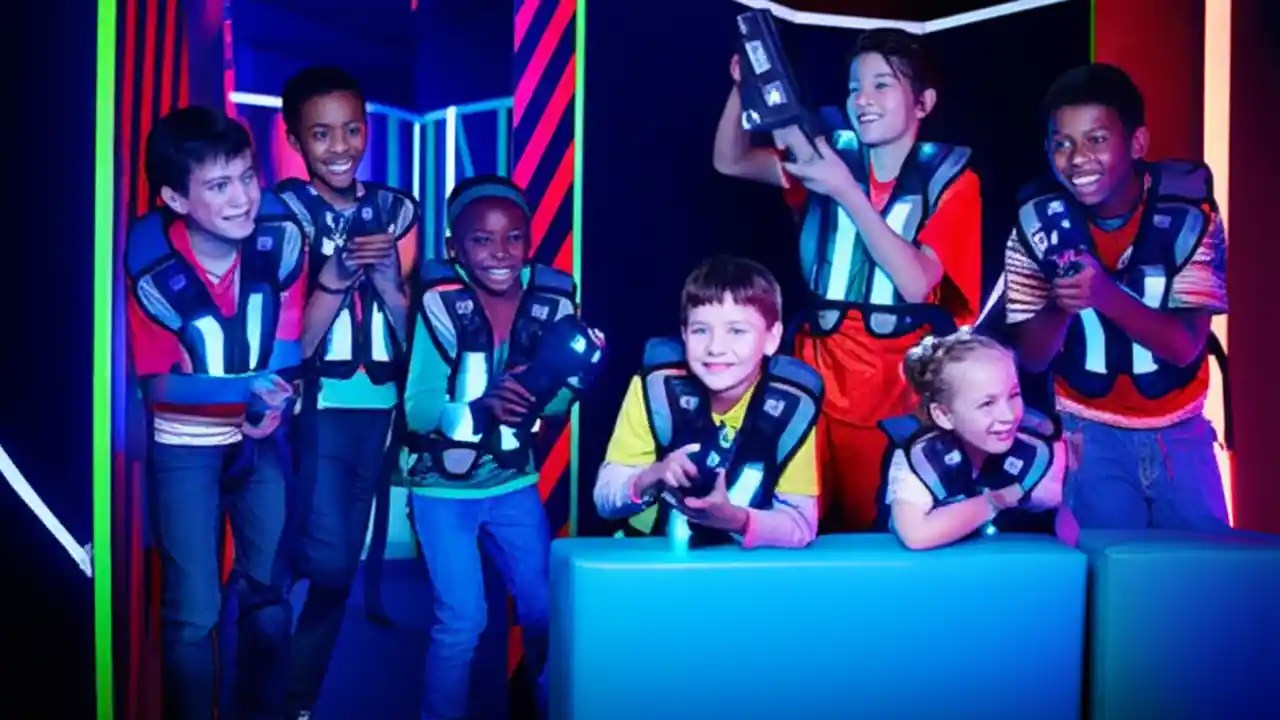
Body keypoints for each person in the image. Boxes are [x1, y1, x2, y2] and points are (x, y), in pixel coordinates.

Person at [713, 28, 982, 533]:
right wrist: (741, 88)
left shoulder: (953, 181)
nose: (863, 99)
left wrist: (843, 189)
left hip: (898, 386)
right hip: (816, 374)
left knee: (877, 527)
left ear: (922, 103)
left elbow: (914, 283)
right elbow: (730, 161)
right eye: (855, 86)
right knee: (797, 521)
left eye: (882, 85)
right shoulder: (827, 158)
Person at [123, 105, 304, 720]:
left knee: (269, 597)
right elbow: (159, 389)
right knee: (193, 615)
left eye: (248, 177)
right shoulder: (151, 268)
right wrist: (249, 392)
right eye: (220, 184)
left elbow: (288, 349)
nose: (243, 197)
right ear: (176, 197)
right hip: (185, 453)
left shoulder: (279, 243)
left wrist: (279, 395)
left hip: (262, 445)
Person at [399, 174, 600, 719]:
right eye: (482, 240)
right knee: (463, 620)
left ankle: (546, 706)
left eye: (513, 237)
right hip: (441, 490)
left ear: (530, 240)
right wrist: (484, 405)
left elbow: (555, 409)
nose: (499, 252)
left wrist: (554, 387)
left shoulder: (552, 300)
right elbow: (417, 411)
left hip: (513, 484)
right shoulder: (440, 303)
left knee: (542, 609)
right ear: (454, 248)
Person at [1003, 63, 1229, 530]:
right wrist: (1061, 304)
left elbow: (1186, 345)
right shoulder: (1035, 222)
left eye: (1097, 140)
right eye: (1061, 143)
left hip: (1180, 427)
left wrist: (1104, 294)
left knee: (1203, 577)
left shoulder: (1189, 212)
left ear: (1138, 144)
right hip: (1088, 428)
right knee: (1108, 573)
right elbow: (1032, 357)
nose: (1077, 158)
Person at [273, 65, 421, 719]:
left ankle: (299, 698)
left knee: (335, 565)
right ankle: (266, 681)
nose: (340, 146)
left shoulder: (398, 209)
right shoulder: (283, 212)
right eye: (322, 134)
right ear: (295, 139)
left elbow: (415, 331)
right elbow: (287, 343)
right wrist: (331, 280)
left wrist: (390, 283)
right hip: (312, 410)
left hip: (378, 407)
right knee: (323, 562)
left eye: (352, 129)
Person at [595, 255, 822, 549]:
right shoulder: (658, 386)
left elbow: (801, 525)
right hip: (652, 560)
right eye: (701, 330)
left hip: (743, 570)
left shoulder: (792, 405)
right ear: (684, 334)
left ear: (771, 337)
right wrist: (654, 476)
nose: (715, 347)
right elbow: (604, 499)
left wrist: (737, 520)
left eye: (737, 331)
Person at [878, 329, 1067, 550]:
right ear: (943, 415)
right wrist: (995, 501)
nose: (1008, 416)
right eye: (987, 404)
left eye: (1014, 395)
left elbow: (1073, 534)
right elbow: (916, 535)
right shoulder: (919, 459)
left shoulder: (1042, 453)